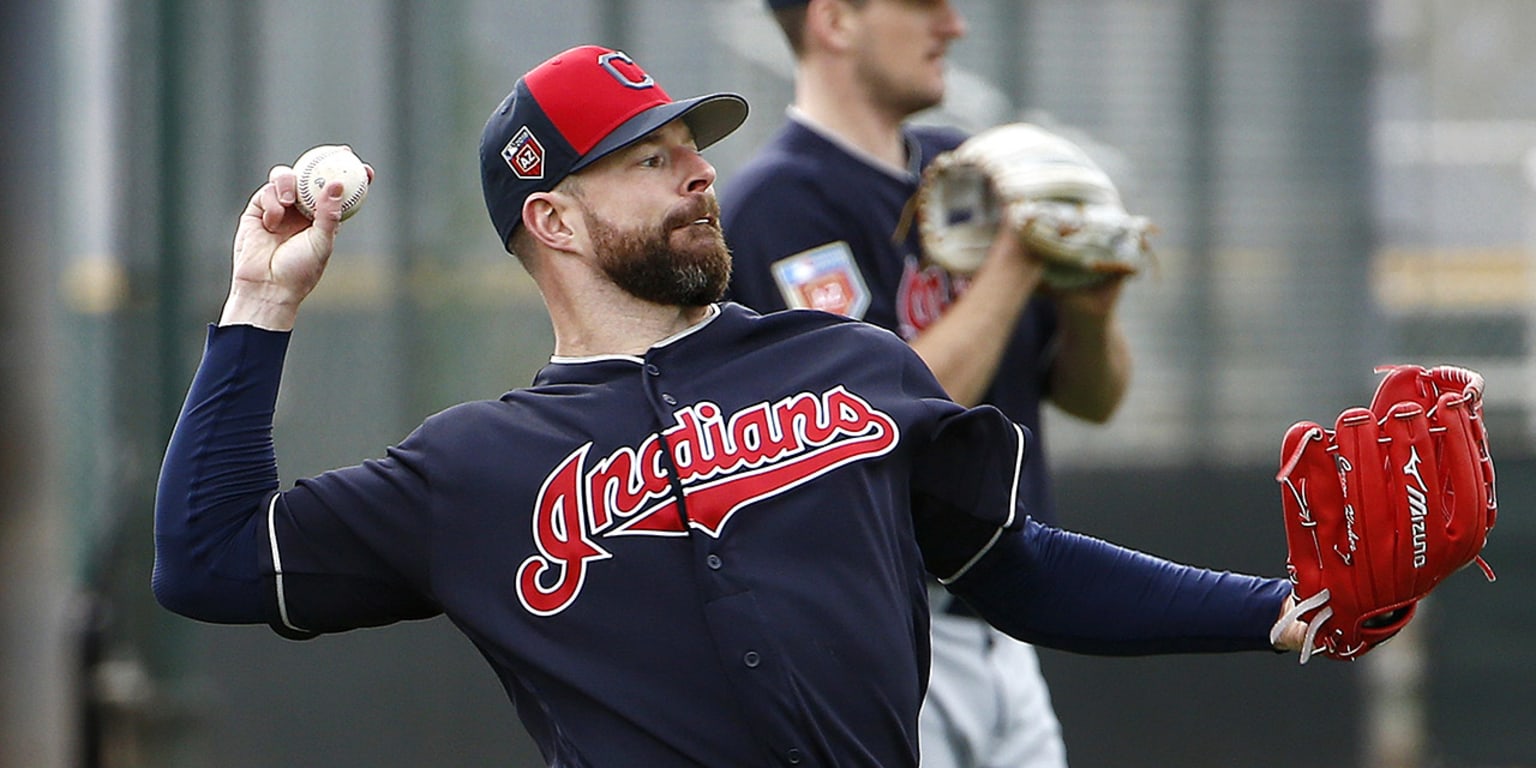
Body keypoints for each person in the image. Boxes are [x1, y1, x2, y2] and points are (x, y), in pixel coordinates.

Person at [153, 44, 1303, 768]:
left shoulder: (852, 365)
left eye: (689, 149)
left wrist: (1275, 609)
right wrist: (260, 300)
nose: (699, 172)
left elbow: (1016, 563)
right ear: (552, 221)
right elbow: (209, 560)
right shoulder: (475, 470)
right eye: (647, 160)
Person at [720, 2, 1131, 766]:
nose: (954, 26)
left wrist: (1091, 316)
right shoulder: (778, 205)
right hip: (885, 636)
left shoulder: (967, 171)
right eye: (923, 6)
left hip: (1009, 625)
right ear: (836, 21)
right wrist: (1015, 260)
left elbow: (1092, 399)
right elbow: (885, 416)